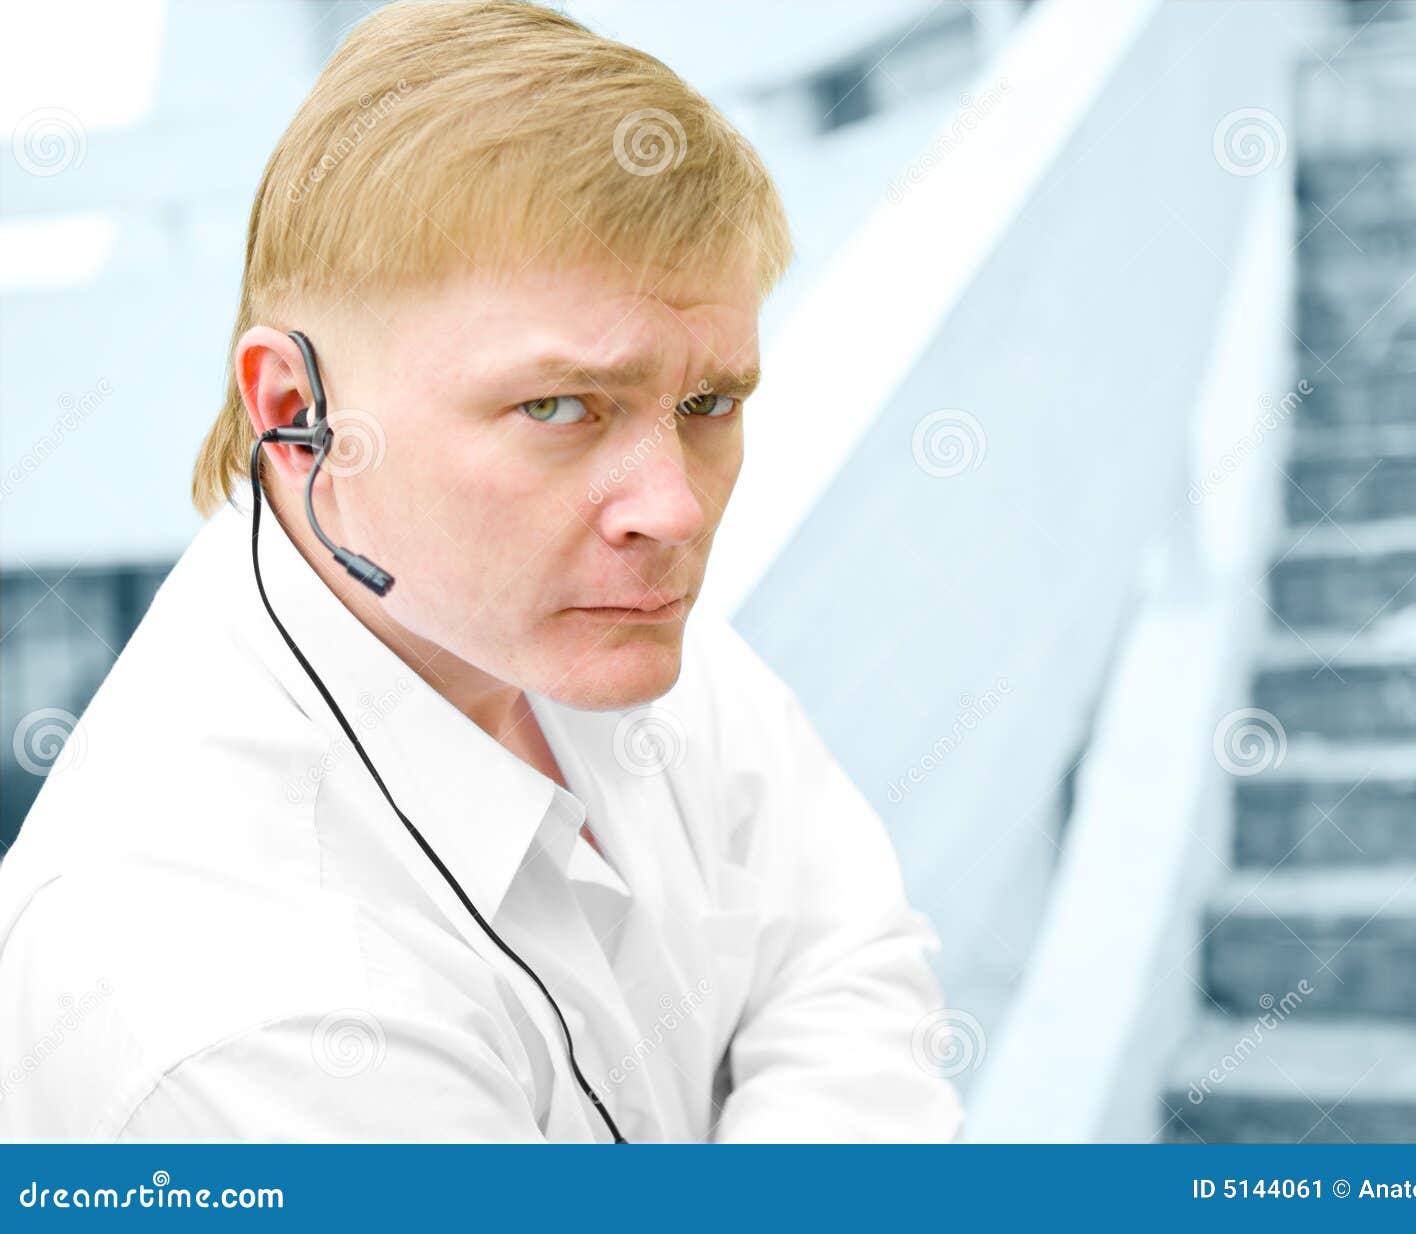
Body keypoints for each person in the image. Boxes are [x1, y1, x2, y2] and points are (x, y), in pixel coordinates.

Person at [0, 0, 962, 1143]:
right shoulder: (229, 995)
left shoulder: (552, 606)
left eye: (708, 401)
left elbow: (842, 947)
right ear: (299, 415)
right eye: (558, 407)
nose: (673, 508)